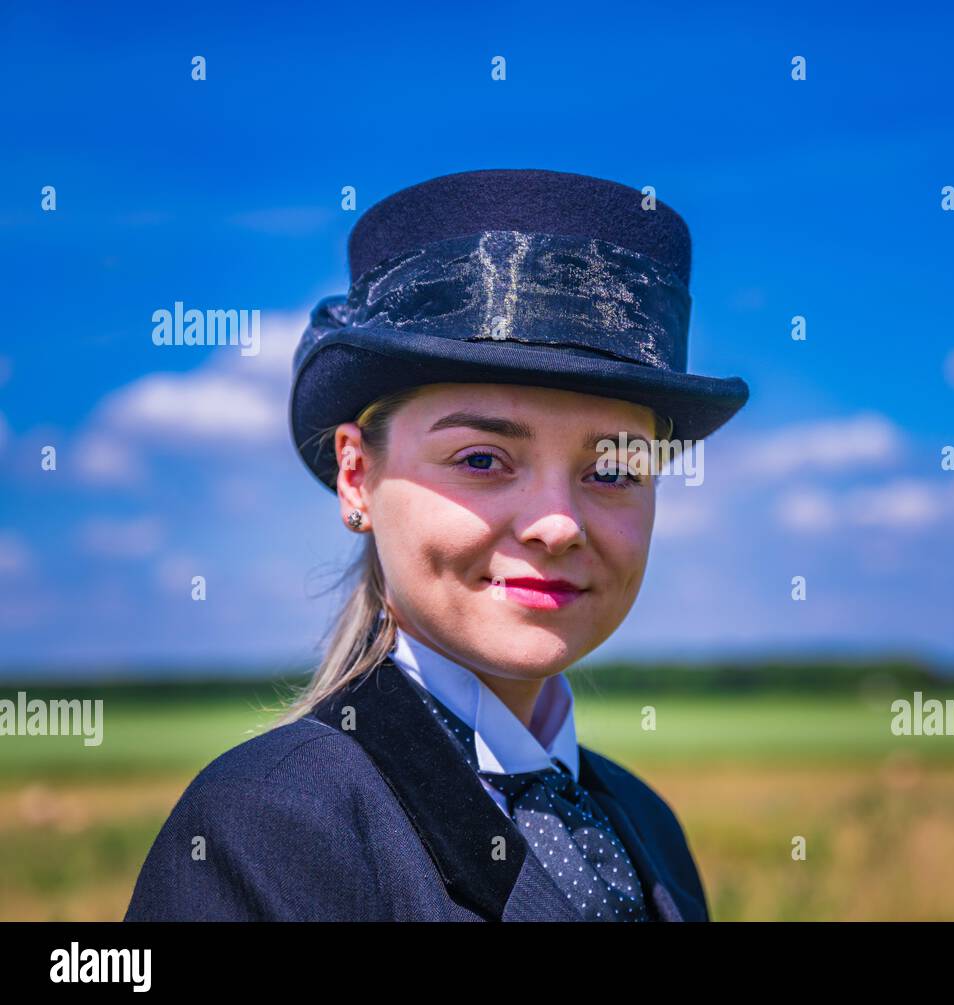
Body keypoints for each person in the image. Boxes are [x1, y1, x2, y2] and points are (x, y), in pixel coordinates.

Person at [124, 168, 749, 921]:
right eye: (483, 459)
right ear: (357, 476)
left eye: (612, 469)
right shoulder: (266, 827)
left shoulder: (648, 827)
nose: (558, 523)